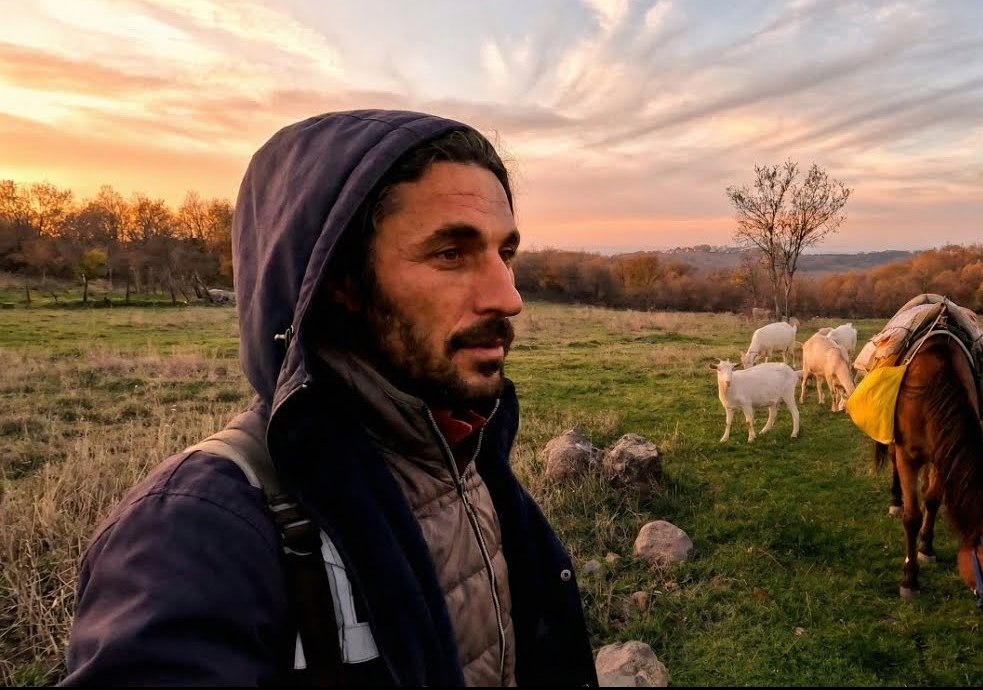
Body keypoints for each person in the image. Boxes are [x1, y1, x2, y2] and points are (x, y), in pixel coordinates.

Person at [60, 110, 600, 686]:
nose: (508, 297)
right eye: (451, 254)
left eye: (506, 254)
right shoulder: (197, 535)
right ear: (337, 281)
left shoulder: (465, 454)